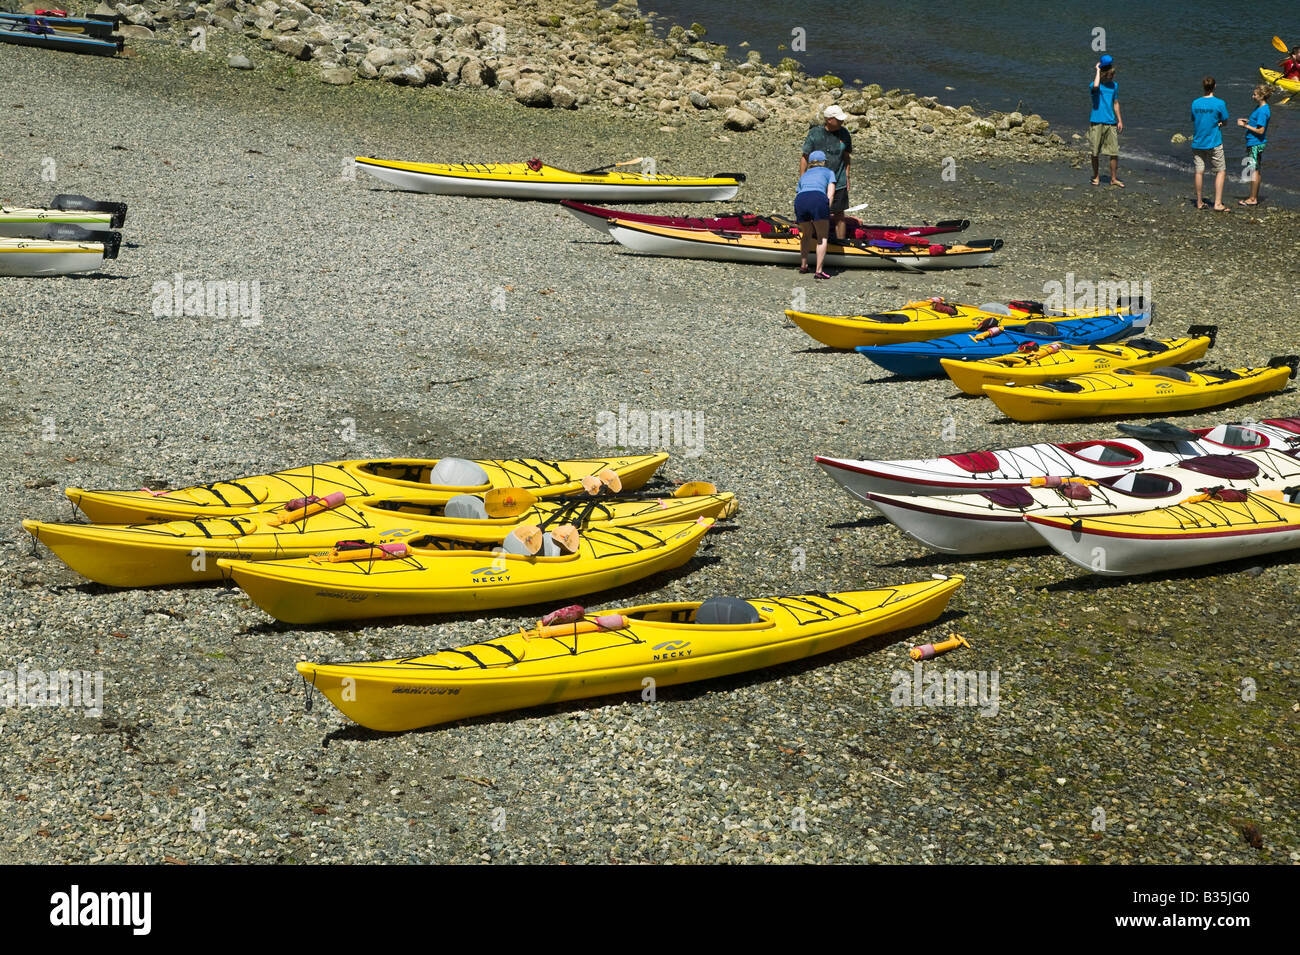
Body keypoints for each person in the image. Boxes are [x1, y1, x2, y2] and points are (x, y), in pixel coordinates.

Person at [800, 104, 852, 240]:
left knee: (839, 213)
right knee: (815, 211)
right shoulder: (815, 134)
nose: (841, 121)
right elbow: (805, 157)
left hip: (839, 179)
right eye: (838, 119)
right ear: (829, 119)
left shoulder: (845, 133)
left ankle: (840, 242)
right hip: (817, 181)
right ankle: (813, 239)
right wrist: (802, 179)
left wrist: (847, 176)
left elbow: (846, 156)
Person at [1190, 76, 1230, 211]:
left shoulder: (1195, 103)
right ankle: (1218, 203)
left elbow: (1194, 119)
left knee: (1199, 172)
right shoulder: (1220, 103)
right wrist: (1219, 123)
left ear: (1203, 87)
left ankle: (1199, 202)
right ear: (1215, 87)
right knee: (1221, 171)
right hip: (1213, 142)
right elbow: (1225, 121)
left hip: (1198, 141)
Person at [794, 149, 835, 278]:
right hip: (818, 198)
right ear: (824, 162)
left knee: (806, 234)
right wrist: (827, 210)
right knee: (822, 237)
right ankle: (818, 271)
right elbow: (831, 193)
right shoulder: (829, 172)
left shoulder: (804, 175)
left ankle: (804, 265)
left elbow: (799, 191)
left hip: (800, 200)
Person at [1088, 54, 1124, 186]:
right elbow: (1096, 86)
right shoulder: (1094, 84)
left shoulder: (1114, 86)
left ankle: (1113, 179)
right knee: (1095, 151)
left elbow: (1116, 103)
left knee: (1114, 152)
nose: (1113, 76)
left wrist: (1119, 120)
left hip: (1111, 122)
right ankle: (1096, 176)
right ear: (1104, 73)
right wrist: (1097, 70)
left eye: (1113, 74)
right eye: (1110, 74)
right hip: (1097, 121)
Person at [1237, 85, 1271, 206]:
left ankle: (1252, 199)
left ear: (1261, 96)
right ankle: (1253, 196)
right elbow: (1257, 124)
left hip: (1255, 143)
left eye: (1255, 94)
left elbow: (1261, 130)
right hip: (1255, 143)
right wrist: (1248, 121)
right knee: (1255, 170)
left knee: (1254, 171)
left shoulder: (1262, 110)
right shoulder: (1261, 107)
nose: (1253, 96)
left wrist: (1245, 126)